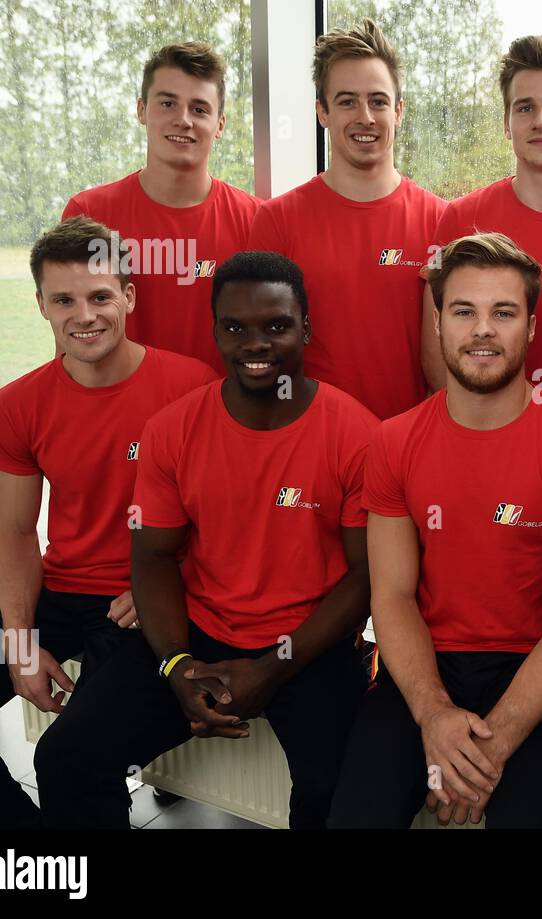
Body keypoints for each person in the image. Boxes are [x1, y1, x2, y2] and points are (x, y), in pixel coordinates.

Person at [33, 252, 378, 828]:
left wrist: (272, 669)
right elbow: (154, 559)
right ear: (215, 330)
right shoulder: (173, 429)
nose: (255, 343)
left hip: (310, 648)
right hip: (197, 633)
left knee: (336, 795)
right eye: (235, 327)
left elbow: (366, 577)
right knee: (67, 755)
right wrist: (175, 665)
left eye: (276, 326)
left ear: (305, 329)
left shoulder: (357, 433)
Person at [328, 233, 542, 828]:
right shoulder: (393, 442)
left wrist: (490, 748)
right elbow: (393, 597)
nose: (483, 330)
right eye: (464, 311)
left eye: (503, 313)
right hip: (424, 664)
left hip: (536, 670)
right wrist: (434, 717)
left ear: (532, 327)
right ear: (438, 321)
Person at [0, 216, 215, 827]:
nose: (83, 315)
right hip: (61, 592)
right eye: (64, 299)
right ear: (41, 305)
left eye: (100, 296)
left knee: (69, 758)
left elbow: (226, 518)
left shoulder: (192, 388)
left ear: (130, 297)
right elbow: (14, 531)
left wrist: (165, 583)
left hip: (149, 602)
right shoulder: (19, 402)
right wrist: (17, 640)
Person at [248, 18, 446, 419]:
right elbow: (260, 354)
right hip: (310, 449)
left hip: (406, 451)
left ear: (399, 111)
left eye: (378, 101)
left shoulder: (441, 221)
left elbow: (448, 363)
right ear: (322, 111)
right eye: (346, 101)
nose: (365, 117)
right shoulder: (276, 223)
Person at [421, 34, 542, 390]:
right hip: (487, 438)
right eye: (525, 107)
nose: (541, 120)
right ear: (506, 124)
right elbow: (438, 354)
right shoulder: (461, 220)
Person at [63, 41, 259, 373]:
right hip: (122, 418)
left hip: (215, 416)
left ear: (221, 124)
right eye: (168, 103)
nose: (183, 120)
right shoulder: (88, 214)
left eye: (199, 109)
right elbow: (71, 343)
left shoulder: (254, 220)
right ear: (142, 110)